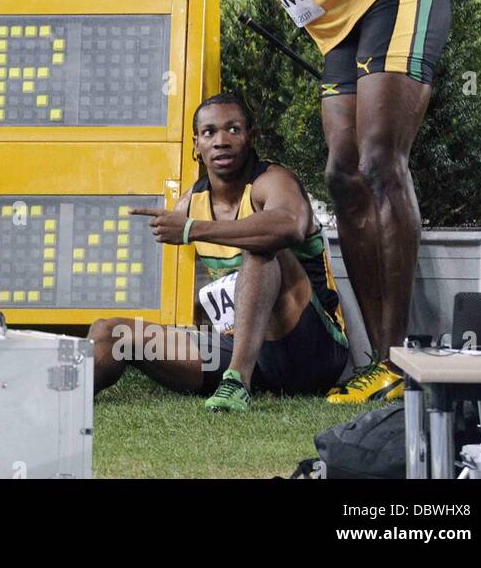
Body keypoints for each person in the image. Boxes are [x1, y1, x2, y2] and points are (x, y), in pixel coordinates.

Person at [54, 0, 450, 404]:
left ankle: (401, 362)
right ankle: (378, 363)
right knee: (344, 175)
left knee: (379, 161)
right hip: (341, 33)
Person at [90, 93, 350, 412]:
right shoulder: (190, 203)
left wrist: (190, 229)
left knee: (259, 244)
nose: (221, 141)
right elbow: (213, 294)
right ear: (196, 144)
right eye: (210, 132)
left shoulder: (273, 182)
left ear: (251, 138)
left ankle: (236, 384)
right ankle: (57, 392)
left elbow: (288, 225)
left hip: (312, 352)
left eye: (234, 130)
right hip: (246, 352)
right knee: (110, 332)